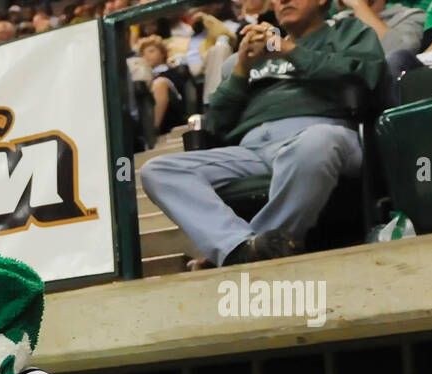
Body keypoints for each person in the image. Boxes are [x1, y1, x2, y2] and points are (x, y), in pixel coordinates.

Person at [139, 0, 387, 267]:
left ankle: (241, 249)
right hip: (251, 150)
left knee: (317, 143)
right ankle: (241, 246)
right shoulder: (254, 56)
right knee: (157, 171)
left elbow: (365, 76)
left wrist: (290, 51)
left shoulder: (345, 31)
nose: (283, 1)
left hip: (322, 132)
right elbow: (217, 124)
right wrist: (241, 70)